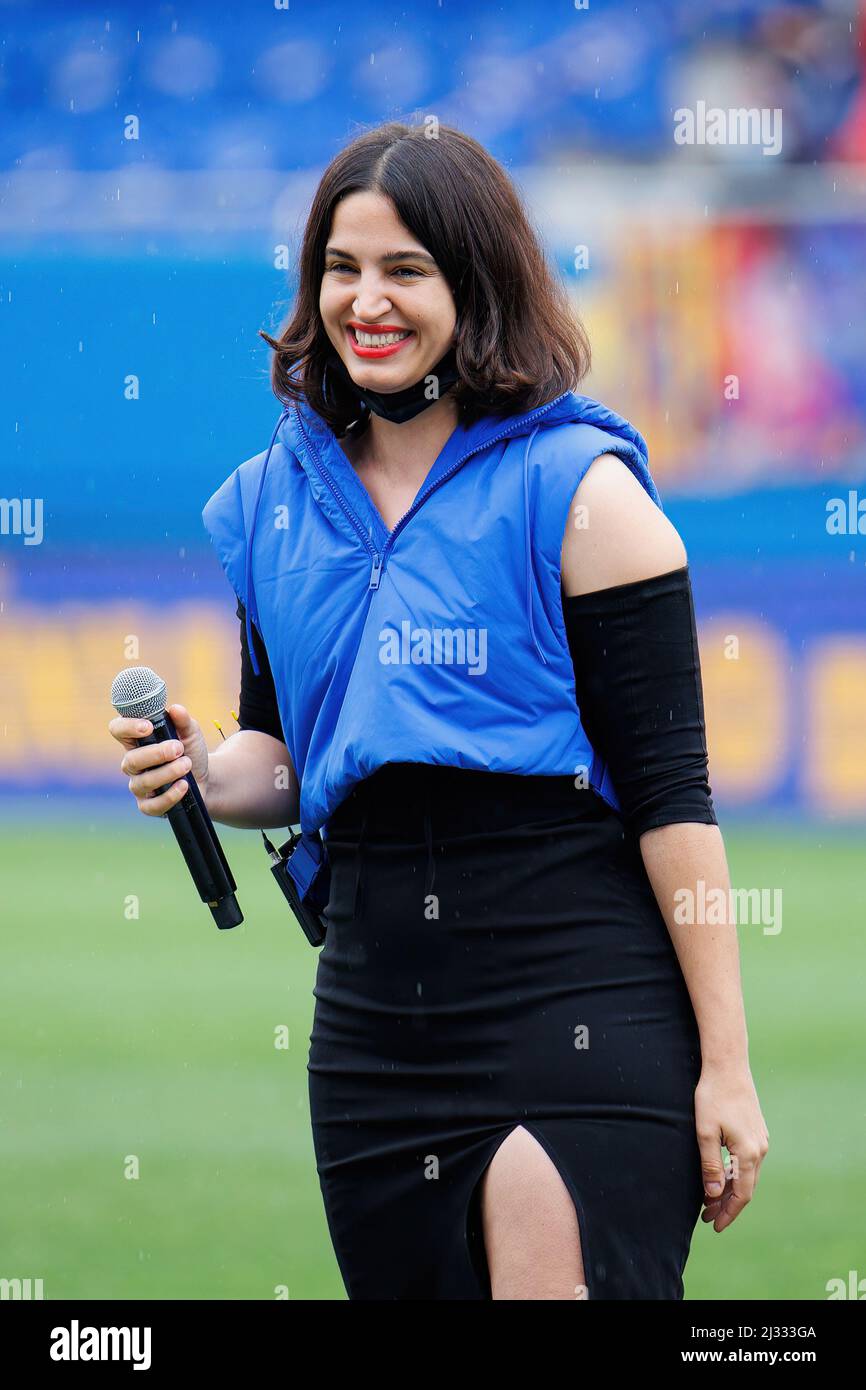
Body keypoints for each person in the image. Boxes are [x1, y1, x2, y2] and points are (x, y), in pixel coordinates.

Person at [108, 121, 769, 1301]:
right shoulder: (268, 499)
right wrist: (210, 770)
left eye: (405, 270)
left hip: (568, 992)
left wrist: (726, 1062)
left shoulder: (584, 494)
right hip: (371, 1025)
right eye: (341, 267)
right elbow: (291, 757)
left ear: (477, 279)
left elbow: (672, 799)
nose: (367, 300)